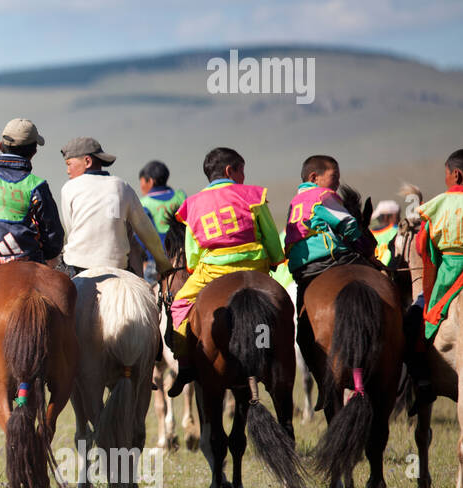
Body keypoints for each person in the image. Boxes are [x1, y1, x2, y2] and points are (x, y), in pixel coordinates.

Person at [166, 147, 284, 394]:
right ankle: (274, 353)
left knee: (179, 304)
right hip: (254, 266)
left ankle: (185, 362)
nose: (244, 176)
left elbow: (193, 252)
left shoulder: (192, 205)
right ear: (230, 170)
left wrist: (197, 267)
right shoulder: (253, 195)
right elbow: (271, 236)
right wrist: (274, 259)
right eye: (242, 170)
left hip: (213, 270)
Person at [0, 118, 63, 297]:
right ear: (33, 151)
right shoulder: (37, 185)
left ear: (1, 146)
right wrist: (48, 254)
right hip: (28, 265)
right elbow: (52, 235)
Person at [58, 136, 172, 278]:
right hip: (118, 266)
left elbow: (71, 230)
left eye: (69, 164)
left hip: (77, 265)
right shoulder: (121, 185)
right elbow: (144, 228)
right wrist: (162, 263)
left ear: (87, 161)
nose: (68, 171)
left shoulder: (68, 188)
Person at [283, 154, 376, 312]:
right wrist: (366, 249)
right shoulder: (321, 196)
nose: (338, 183)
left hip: (301, 269)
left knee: (303, 307)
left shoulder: (295, 203)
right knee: (374, 280)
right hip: (330, 259)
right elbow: (347, 224)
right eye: (334, 177)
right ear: (314, 178)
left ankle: (302, 334)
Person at [417, 149, 463, 343]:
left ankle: (420, 359)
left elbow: (422, 246)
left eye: (446, 174)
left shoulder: (438, 205)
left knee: (426, 319)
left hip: (450, 271)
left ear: (456, 175)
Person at [137, 160, 186, 281]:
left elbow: (141, 237)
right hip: (183, 259)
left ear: (150, 181)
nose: (141, 186)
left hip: (155, 263)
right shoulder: (180, 196)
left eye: (142, 182)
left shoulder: (144, 203)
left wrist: (144, 259)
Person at [371, 200, 400, 265]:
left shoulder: (369, 233)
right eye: (398, 216)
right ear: (387, 217)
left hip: (372, 267)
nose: (399, 218)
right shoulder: (397, 230)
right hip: (390, 269)